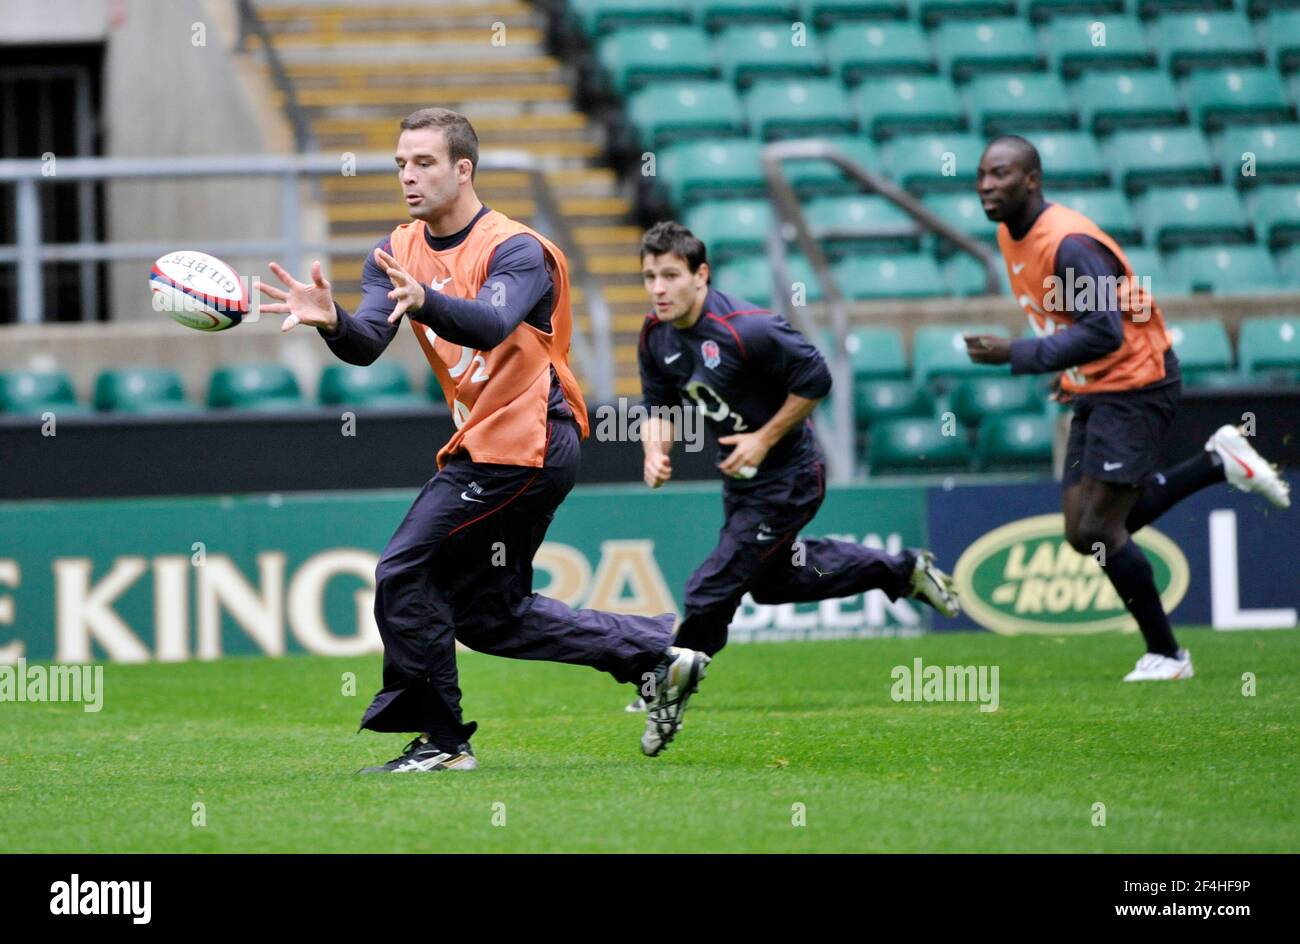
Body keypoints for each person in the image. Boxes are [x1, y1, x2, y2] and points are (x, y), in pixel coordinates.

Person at [256, 108, 709, 767]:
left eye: (424, 163)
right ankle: (655, 656)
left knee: (403, 569)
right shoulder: (396, 251)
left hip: (527, 440)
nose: (408, 177)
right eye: (400, 165)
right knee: (489, 616)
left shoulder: (515, 248)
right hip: (492, 444)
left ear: (463, 169)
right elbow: (367, 345)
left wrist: (426, 299)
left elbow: (492, 323)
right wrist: (331, 321)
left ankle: (442, 744)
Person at [965, 135, 1290, 681]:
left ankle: (1167, 655)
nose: (985, 186)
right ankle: (1215, 464)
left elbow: (1104, 331)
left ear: (1031, 180)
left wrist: (1016, 354)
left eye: (999, 174)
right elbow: (1069, 322)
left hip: (1137, 384)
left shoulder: (1068, 244)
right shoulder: (1008, 234)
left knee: (1099, 530)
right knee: (1082, 532)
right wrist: (1068, 374)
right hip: (1095, 386)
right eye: (981, 175)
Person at [628, 221, 961, 710]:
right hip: (741, 478)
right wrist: (655, 452)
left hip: (791, 473)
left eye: (671, 275)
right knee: (772, 582)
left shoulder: (749, 329)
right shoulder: (656, 335)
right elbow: (659, 406)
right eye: (650, 276)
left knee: (709, 585)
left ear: (702, 275)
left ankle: (673, 681)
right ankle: (904, 570)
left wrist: (763, 439)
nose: (658, 288)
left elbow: (816, 377)